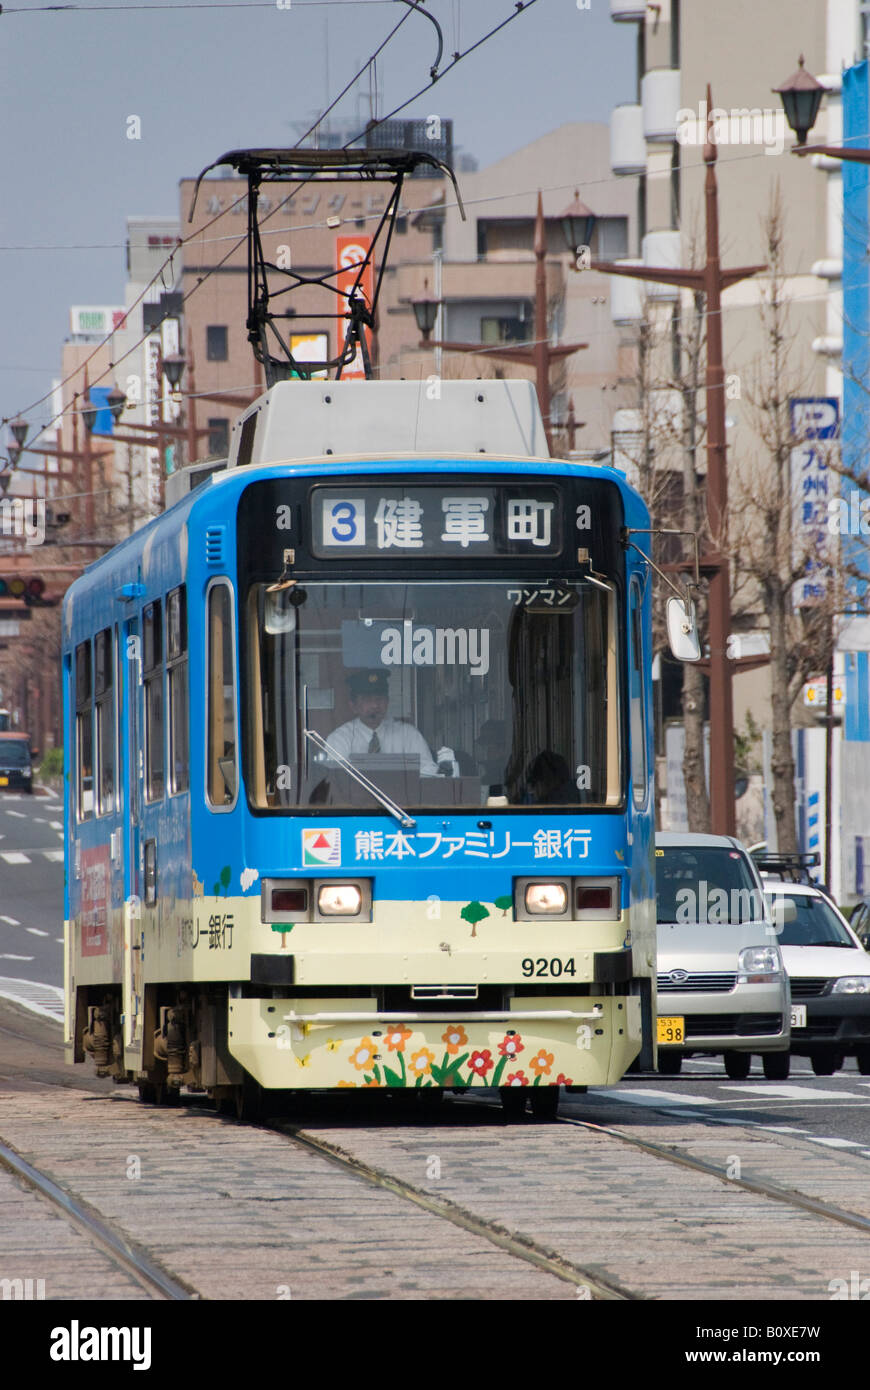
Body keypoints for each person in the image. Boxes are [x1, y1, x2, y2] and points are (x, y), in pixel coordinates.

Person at [325, 670, 440, 776]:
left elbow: (430, 773)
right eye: (367, 700)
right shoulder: (339, 739)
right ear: (353, 706)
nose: (375, 705)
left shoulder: (409, 735)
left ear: (388, 702)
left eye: (379, 699)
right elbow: (337, 781)